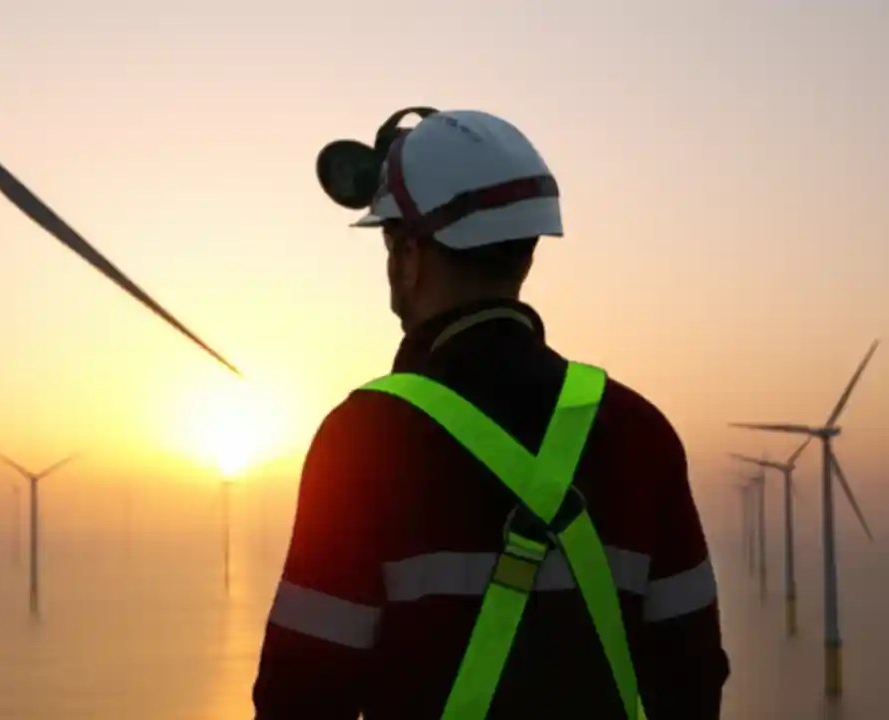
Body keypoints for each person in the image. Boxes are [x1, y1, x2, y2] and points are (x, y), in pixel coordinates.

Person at [252, 108, 729, 719]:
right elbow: (692, 677)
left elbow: (299, 697)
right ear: (525, 256)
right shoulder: (640, 432)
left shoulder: (365, 441)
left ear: (409, 256)